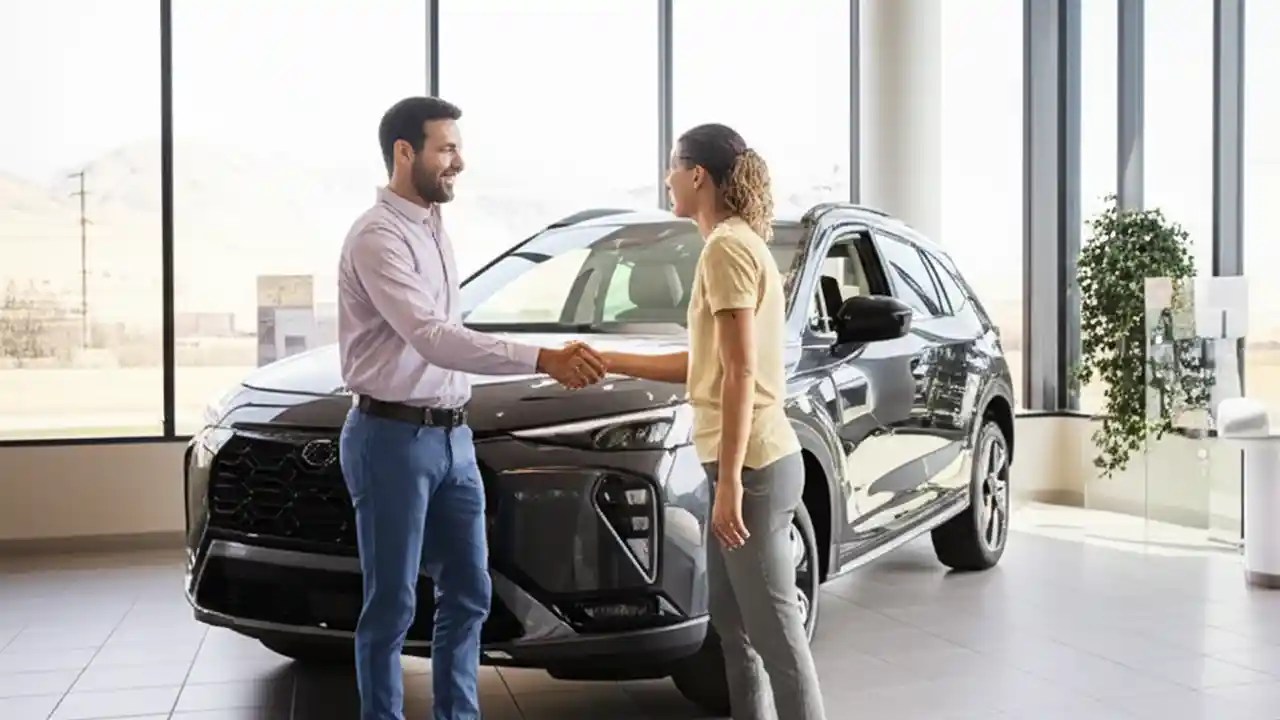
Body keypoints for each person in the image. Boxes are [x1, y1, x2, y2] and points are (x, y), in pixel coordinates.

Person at [337, 96, 606, 720]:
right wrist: (542, 358)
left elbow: (447, 341)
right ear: (406, 153)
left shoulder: (433, 229)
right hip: (390, 438)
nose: (459, 160)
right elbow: (430, 335)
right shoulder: (377, 237)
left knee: (469, 592)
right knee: (392, 604)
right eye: (446, 148)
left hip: (453, 438)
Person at [600, 123, 826, 720]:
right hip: (751, 462)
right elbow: (706, 363)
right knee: (734, 626)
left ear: (697, 174)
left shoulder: (726, 248)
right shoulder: (737, 242)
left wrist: (726, 484)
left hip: (752, 466)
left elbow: (740, 372)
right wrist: (609, 360)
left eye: (673, 167)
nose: (668, 178)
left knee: (775, 635)